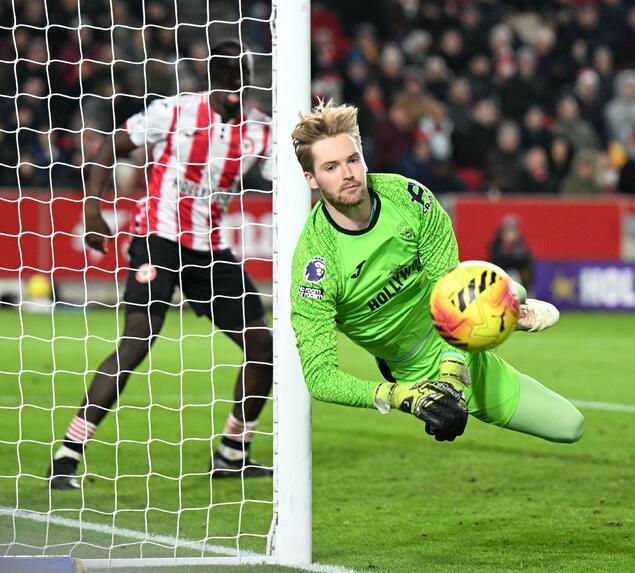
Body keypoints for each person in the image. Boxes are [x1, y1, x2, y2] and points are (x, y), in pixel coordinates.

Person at [47, 40, 274, 490]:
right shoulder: (174, 111)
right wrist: (93, 209)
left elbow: (294, 174)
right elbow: (111, 146)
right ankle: (68, 454)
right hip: (158, 237)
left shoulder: (260, 132)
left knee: (264, 347)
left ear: (249, 79)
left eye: (241, 76)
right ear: (211, 76)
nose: (233, 84)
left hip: (209, 248)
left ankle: (233, 452)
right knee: (138, 339)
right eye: (225, 75)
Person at [289, 101, 584, 444]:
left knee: (489, 285)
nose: (348, 174)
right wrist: (402, 396)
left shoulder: (409, 199)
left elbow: (449, 285)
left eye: (353, 160)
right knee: (570, 427)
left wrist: (452, 377)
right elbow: (320, 378)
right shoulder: (314, 265)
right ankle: (503, 312)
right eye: (331, 167)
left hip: (458, 322)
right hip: (415, 367)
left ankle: (502, 311)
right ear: (311, 178)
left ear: (364, 158)